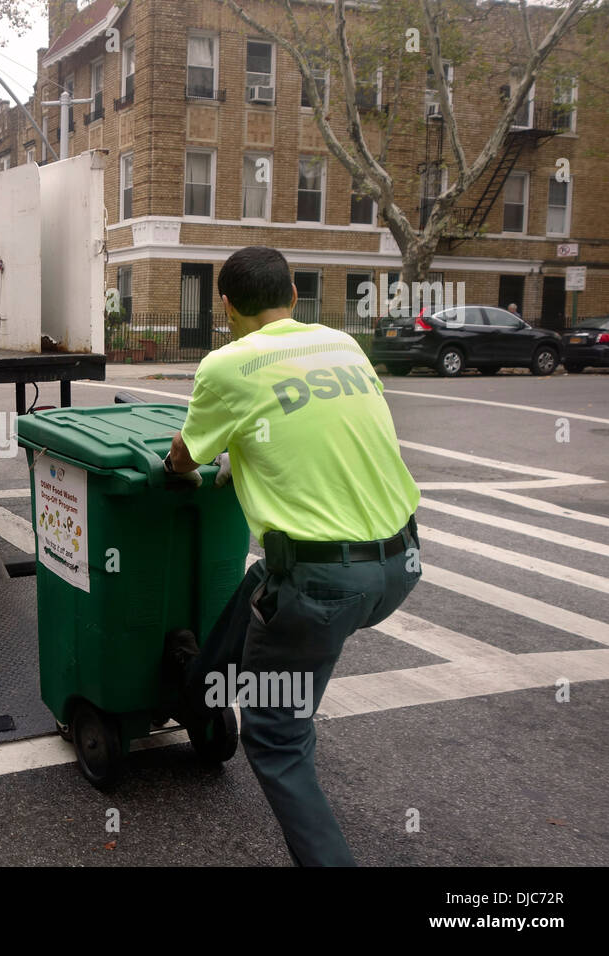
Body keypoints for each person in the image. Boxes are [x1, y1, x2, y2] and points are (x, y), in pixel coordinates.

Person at [164, 246, 422, 866]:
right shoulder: (342, 346)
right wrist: (247, 461)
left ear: (225, 304)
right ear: (295, 297)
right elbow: (321, 428)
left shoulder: (226, 365)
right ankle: (199, 693)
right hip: (400, 563)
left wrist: (196, 472)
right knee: (265, 584)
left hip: (324, 584)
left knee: (277, 739)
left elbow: (182, 458)